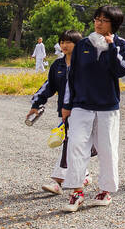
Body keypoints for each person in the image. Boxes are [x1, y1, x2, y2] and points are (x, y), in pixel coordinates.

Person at [61, 5, 125, 213]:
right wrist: (67, 104)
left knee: (107, 148)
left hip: (107, 106)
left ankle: (105, 190)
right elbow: (71, 77)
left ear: (114, 24)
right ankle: (76, 191)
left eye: (104, 20)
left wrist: (111, 48)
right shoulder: (83, 44)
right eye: (96, 19)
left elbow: (121, 70)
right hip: (81, 105)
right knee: (76, 146)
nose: (98, 23)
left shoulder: (121, 45)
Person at [29, 30, 84, 195]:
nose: (64, 45)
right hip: (65, 112)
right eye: (62, 42)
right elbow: (49, 86)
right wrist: (36, 103)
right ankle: (84, 174)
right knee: (74, 144)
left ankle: (57, 181)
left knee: (71, 143)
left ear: (78, 44)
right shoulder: (58, 65)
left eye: (69, 42)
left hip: (84, 110)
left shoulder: (84, 64)